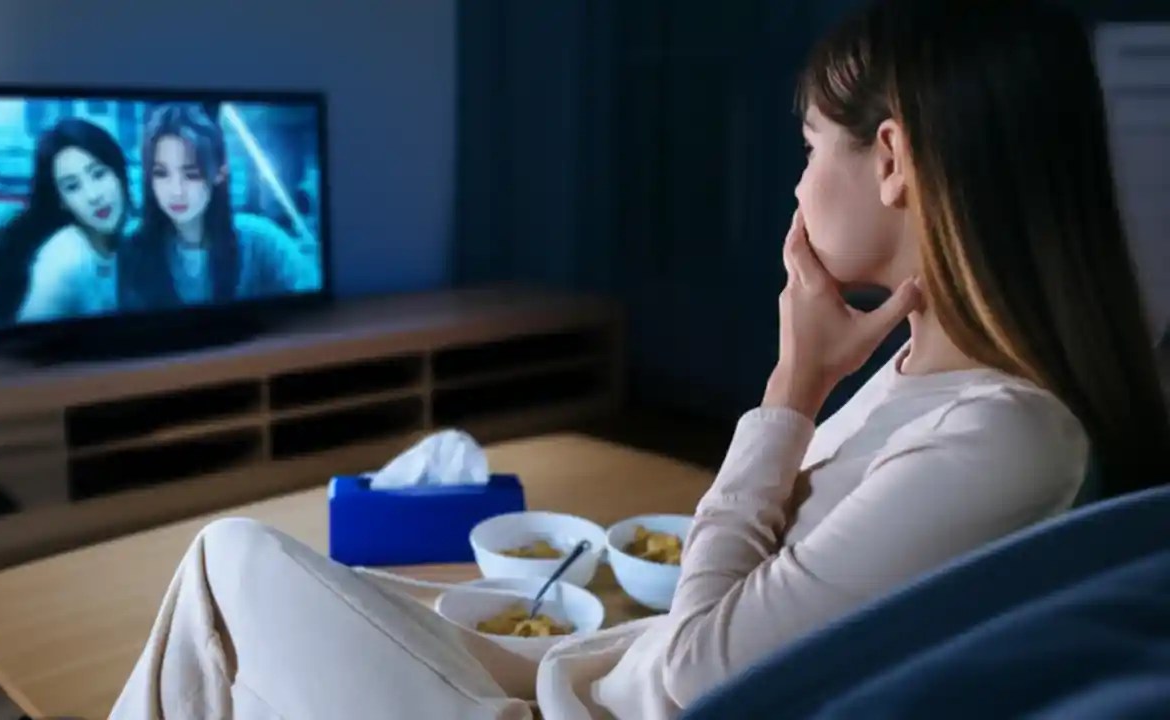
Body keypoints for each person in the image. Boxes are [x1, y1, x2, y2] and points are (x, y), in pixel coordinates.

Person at [109, 1, 1170, 718]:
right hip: (585, 682)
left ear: (888, 160)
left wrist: (789, 390)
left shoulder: (1003, 434)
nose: (797, 184)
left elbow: (703, 681)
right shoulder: (932, 388)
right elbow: (749, 604)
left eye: (809, 147)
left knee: (229, 559)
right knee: (309, 585)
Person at [122, 103, 317, 311]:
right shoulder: (130, 247)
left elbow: (314, 303)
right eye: (161, 173)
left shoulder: (260, 240)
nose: (176, 191)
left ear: (219, 173)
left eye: (191, 174)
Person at [0, 118, 131, 325]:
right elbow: (25, 343)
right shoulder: (66, 257)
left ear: (118, 173)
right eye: (72, 187)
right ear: (62, 201)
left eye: (98, 174)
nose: (93, 196)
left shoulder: (127, 243)